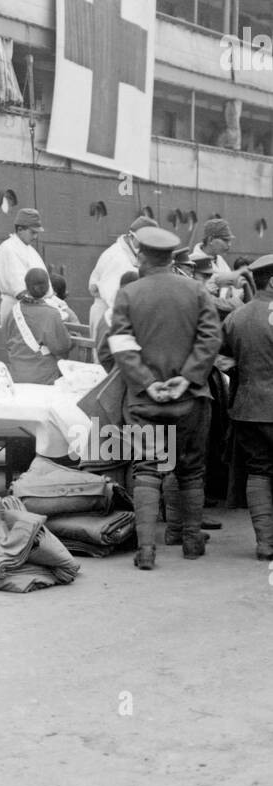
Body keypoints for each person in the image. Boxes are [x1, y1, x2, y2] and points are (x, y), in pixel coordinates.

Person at [108, 225, 222, 570]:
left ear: (141, 255)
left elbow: (121, 345)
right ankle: (190, 541)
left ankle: (146, 550)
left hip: (144, 400)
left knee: (147, 469)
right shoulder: (196, 291)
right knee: (191, 470)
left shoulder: (128, 295)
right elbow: (211, 339)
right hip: (190, 399)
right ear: (172, 258)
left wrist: (147, 382)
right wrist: (186, 379)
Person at [221, 254, 273, 558]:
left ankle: (265, 543)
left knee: (259, 471)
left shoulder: (237, 317)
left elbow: (219, 357)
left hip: (249, 408)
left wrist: (239, 371)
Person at [87, 215, 158, 340]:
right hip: (108, 316)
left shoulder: (128, 254)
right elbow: (115, 299)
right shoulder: (117, 258)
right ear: (132, 237)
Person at [4, 268, 73, 385]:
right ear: (47, 288)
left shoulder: (14, 311)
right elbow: (61, 347)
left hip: (16, 374)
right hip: (43, 376)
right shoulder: (52, 314)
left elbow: (8, 338)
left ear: (26, 286)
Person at [0, 207, 52, 324]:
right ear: (20, 229)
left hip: (33, 309)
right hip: (17, 309)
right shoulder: (8, 249)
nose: (35, 237)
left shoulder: (29, 250)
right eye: (33, 232)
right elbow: (19, 290)